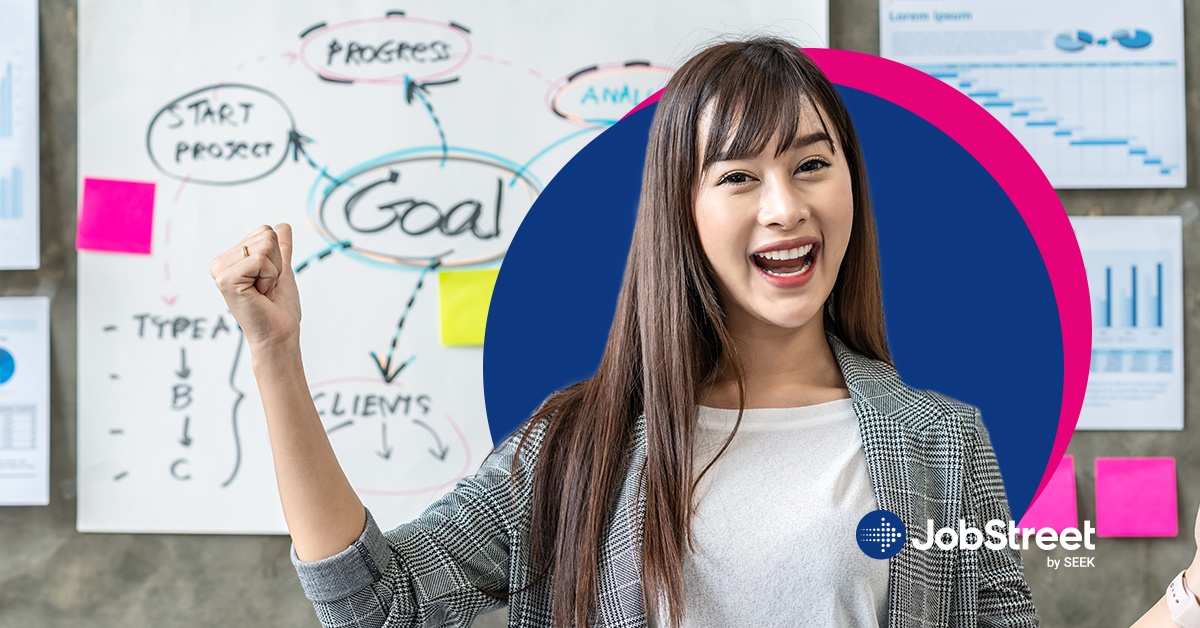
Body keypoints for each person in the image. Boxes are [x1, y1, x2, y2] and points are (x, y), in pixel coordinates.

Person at [212, 37, 1039, 627]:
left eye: (812, 164)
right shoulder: (577, 446)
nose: (786, 206)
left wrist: (1180, 593)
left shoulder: (942, 444)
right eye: (740, 177)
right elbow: (379, 606)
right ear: (684, 212)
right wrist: (275, 354)